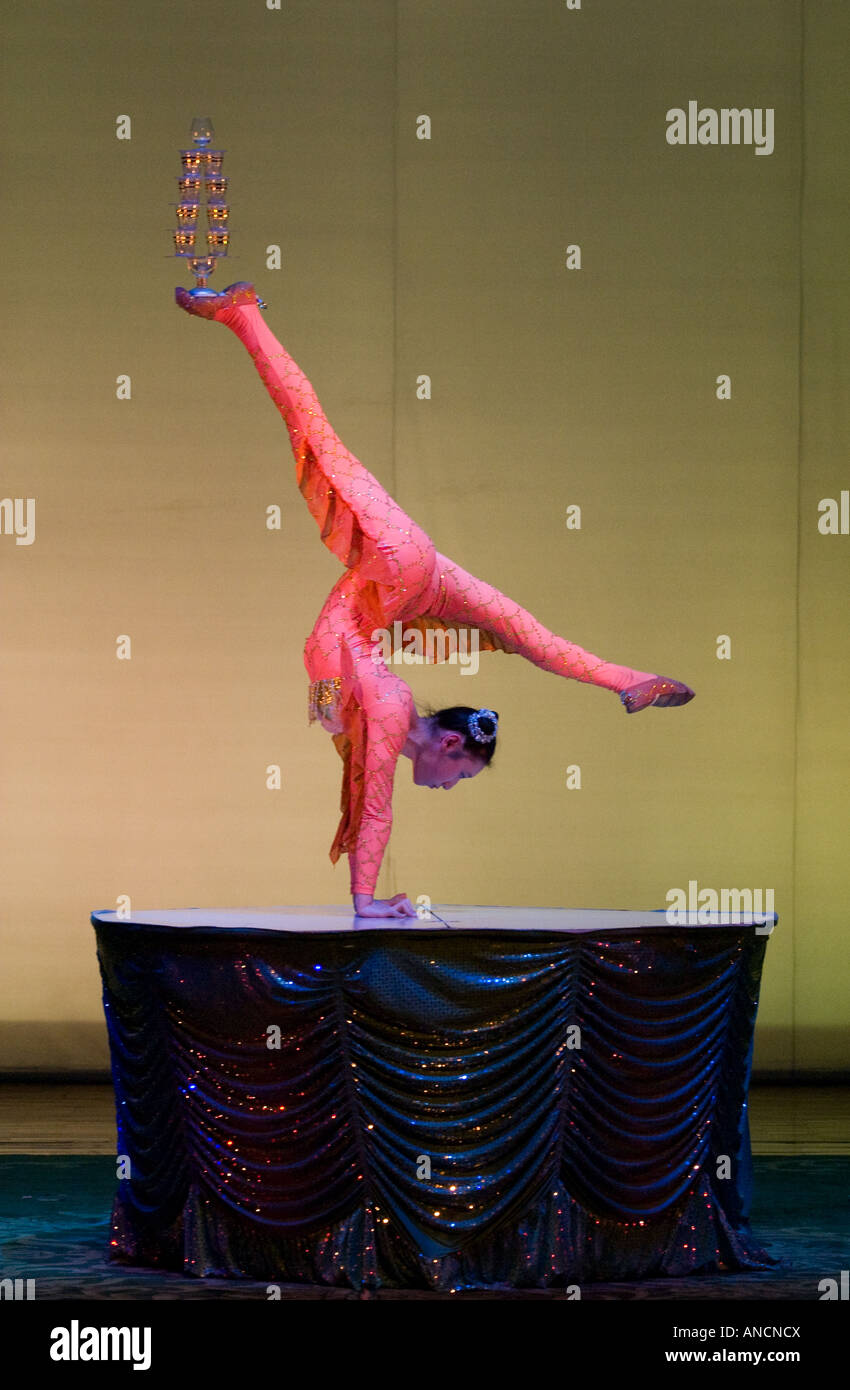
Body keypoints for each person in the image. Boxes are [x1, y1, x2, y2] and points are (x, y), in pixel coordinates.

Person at [176, 282, 694, 918]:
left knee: (534, 637)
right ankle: (241, 313)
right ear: (449, 746)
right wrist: (326, 705)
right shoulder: (391, 706)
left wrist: (328, 701)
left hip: (413, 581)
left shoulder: (383, 690)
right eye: (465, 775)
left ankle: (633, 681)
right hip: (397, 561)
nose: (454, 787)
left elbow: (329, 650)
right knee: (313, 430)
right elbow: (367, 780)